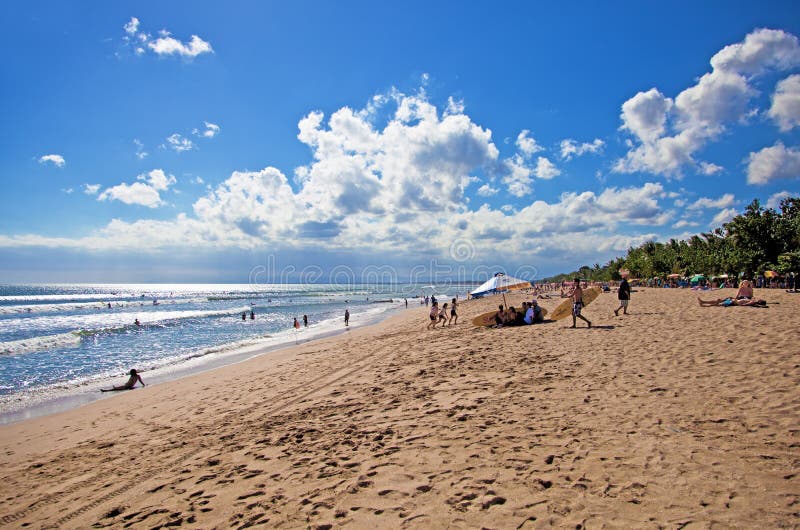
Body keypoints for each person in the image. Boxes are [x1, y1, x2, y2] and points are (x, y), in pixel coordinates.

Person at [697, 296, 767, 307]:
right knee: (718, 301)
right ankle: (703, 302)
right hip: (734, 301)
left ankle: (703, 303)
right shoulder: (754, 302)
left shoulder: (753, 302)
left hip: (733, 302)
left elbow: (744, 304)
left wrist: (736, 301)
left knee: (718, 303)